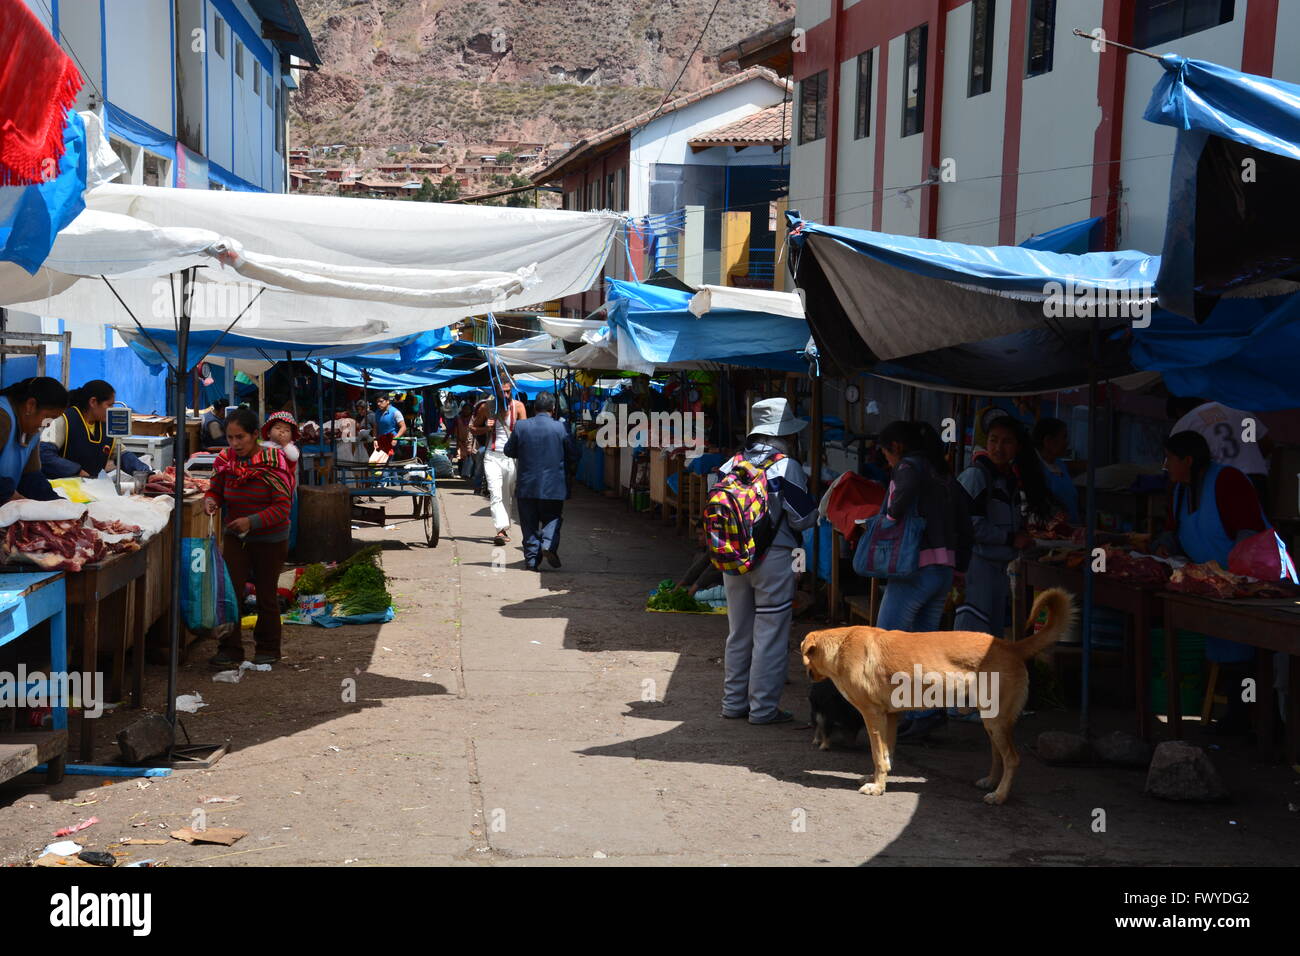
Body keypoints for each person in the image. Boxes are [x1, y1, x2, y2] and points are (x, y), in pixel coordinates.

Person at [1161, 430, 1270, 731]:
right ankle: (1239, 715)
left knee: (1252, 654)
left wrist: (1236, 579)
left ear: (1188, 459)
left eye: (1170, 459)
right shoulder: (1180, 490)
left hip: (1251, 585)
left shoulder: (1228, 481)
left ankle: (1259, 720)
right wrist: (1163, 546)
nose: (1166, 465)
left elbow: (1249, 532)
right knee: (1229, 653)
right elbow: (1174, 532)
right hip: (1214, 588)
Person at [719, 398, 818, 725]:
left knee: (739, 632)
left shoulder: (731, 463)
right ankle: (762, 709)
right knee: (771, 634)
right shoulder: (785, 465)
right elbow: (803, 518)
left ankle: (733, 704)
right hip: (774, 558)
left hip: (733, 559)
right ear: (783, 434)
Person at [872, 421, 973, 739]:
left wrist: (881, 523)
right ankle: (924, 713)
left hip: (914, 568)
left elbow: (895, 508)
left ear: (896, 447)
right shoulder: (942, 472)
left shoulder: (908, 467)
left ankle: (905, 712)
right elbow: (965, 521)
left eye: (885, 453)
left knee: (887, 641)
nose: (887, 460)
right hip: (943, 570)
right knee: (922, 646)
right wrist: (960, 568)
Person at [203, 407, 294, 667]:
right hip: (235, 537)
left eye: (240, 437)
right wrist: (211, 500)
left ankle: (268, 648)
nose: (234, 444)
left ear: (255, 435)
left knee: (266, 595)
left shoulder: (274, 461)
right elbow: (216, 489)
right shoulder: (224, 460)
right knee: (230, 593)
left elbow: (282, 508)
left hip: (271, 539)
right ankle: (229, 649)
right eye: (230, 438)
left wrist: (251, 522)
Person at [955, 416, 1040, 637]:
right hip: (977, 566)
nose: (998, 448)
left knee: (991, 640)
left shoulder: (1008, 479)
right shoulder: (976, 476)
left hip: (999, 569)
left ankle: (987, 674)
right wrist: (1011, 538)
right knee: (972, 640)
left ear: (1017, 447)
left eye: (1006, 442)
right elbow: (968, 525)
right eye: (993, 440)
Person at [502, 391, 578, 571]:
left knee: (529, 523)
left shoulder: (521, 426)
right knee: (552, 518)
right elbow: (574, 454)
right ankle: (548, 544)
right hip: (554, 485)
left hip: (527, 484)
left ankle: (531, 561)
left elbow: (508, 451)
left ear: (534, 408)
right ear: (553, 408)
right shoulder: (561, 428)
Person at [40, 379, 152, 479]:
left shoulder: (106, 427)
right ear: (93, 402)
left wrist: (147, 474)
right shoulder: (63, 420)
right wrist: (76, 471)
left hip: (90, 490)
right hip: (60, 491)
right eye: (109, 405)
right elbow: (44, 455)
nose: (111, 410)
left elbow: (123, 456)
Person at [1168, 396, 1273, 500]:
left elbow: (1176, 467)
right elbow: (1266, 443)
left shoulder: (1184, 424)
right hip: (1254, 478)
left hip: (1220, 482)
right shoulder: (1239, 410)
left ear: (1178, 411)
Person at [472, 378, 527, 546]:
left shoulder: (519, 407)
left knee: (507, 494)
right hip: (492, 456)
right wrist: (486, 428)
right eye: (502, 391)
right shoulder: (486, 408)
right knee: (495, 493)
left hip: (512, 458)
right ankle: (500, 530)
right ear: (495, 391)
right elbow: (473, 428)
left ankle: (504, 526)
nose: (505, 394)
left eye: (508, 391)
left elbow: (525, 433)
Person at [0, 377, 67, 504]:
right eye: (48, 417)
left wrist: (56, 503)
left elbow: (31, 478)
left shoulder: (32, 432)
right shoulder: (3, 417)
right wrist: (7, 492)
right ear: (30, 405)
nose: (48, 425)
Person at [1033, 417, 1083, 524]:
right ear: (1048, 441)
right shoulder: (1035, 469)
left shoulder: (1060, 465)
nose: (1067, 443)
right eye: (1064, 437)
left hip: (1073, 532)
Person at [371, 394, 406, 459]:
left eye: (381, 401)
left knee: (389, 463)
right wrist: (375, 439)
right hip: (381, 443)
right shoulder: (377, 412)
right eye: (377, 402)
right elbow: (375, 427)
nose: (378, 404)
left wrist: (396, 438)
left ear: (388, 401)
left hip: (392, 443)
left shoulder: (395, 412)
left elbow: (403, 427)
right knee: (379, 464)